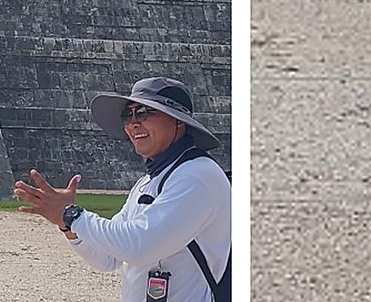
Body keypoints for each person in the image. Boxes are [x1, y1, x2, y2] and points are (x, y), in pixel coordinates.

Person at [13, 77, 231, 302]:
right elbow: (107, 258)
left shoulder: (198, 175)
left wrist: (71, 214)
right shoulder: (150, 181)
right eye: (128, 115)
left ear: (178, 121)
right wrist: (66, 225)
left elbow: (139, 246)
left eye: (144, 112)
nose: (132, 123)